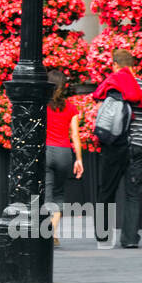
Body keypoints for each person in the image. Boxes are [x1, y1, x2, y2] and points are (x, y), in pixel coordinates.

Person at [92, 49, 142, 249]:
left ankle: (104, 236)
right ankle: (129, 239)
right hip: (138, 145)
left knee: (107, 190)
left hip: (115, 146)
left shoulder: (112, 86)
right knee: (133, 193)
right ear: (133, 66)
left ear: (114, 65)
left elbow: (106, 115)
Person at [44, 69, 83, 246]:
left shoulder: (42, 105)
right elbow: (75, 135)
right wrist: (79, 159)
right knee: (59, 194)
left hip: (46, 151)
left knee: (47, 194)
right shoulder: (71, 107)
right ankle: (52, 233)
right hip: (64, 152)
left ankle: (45, 233)